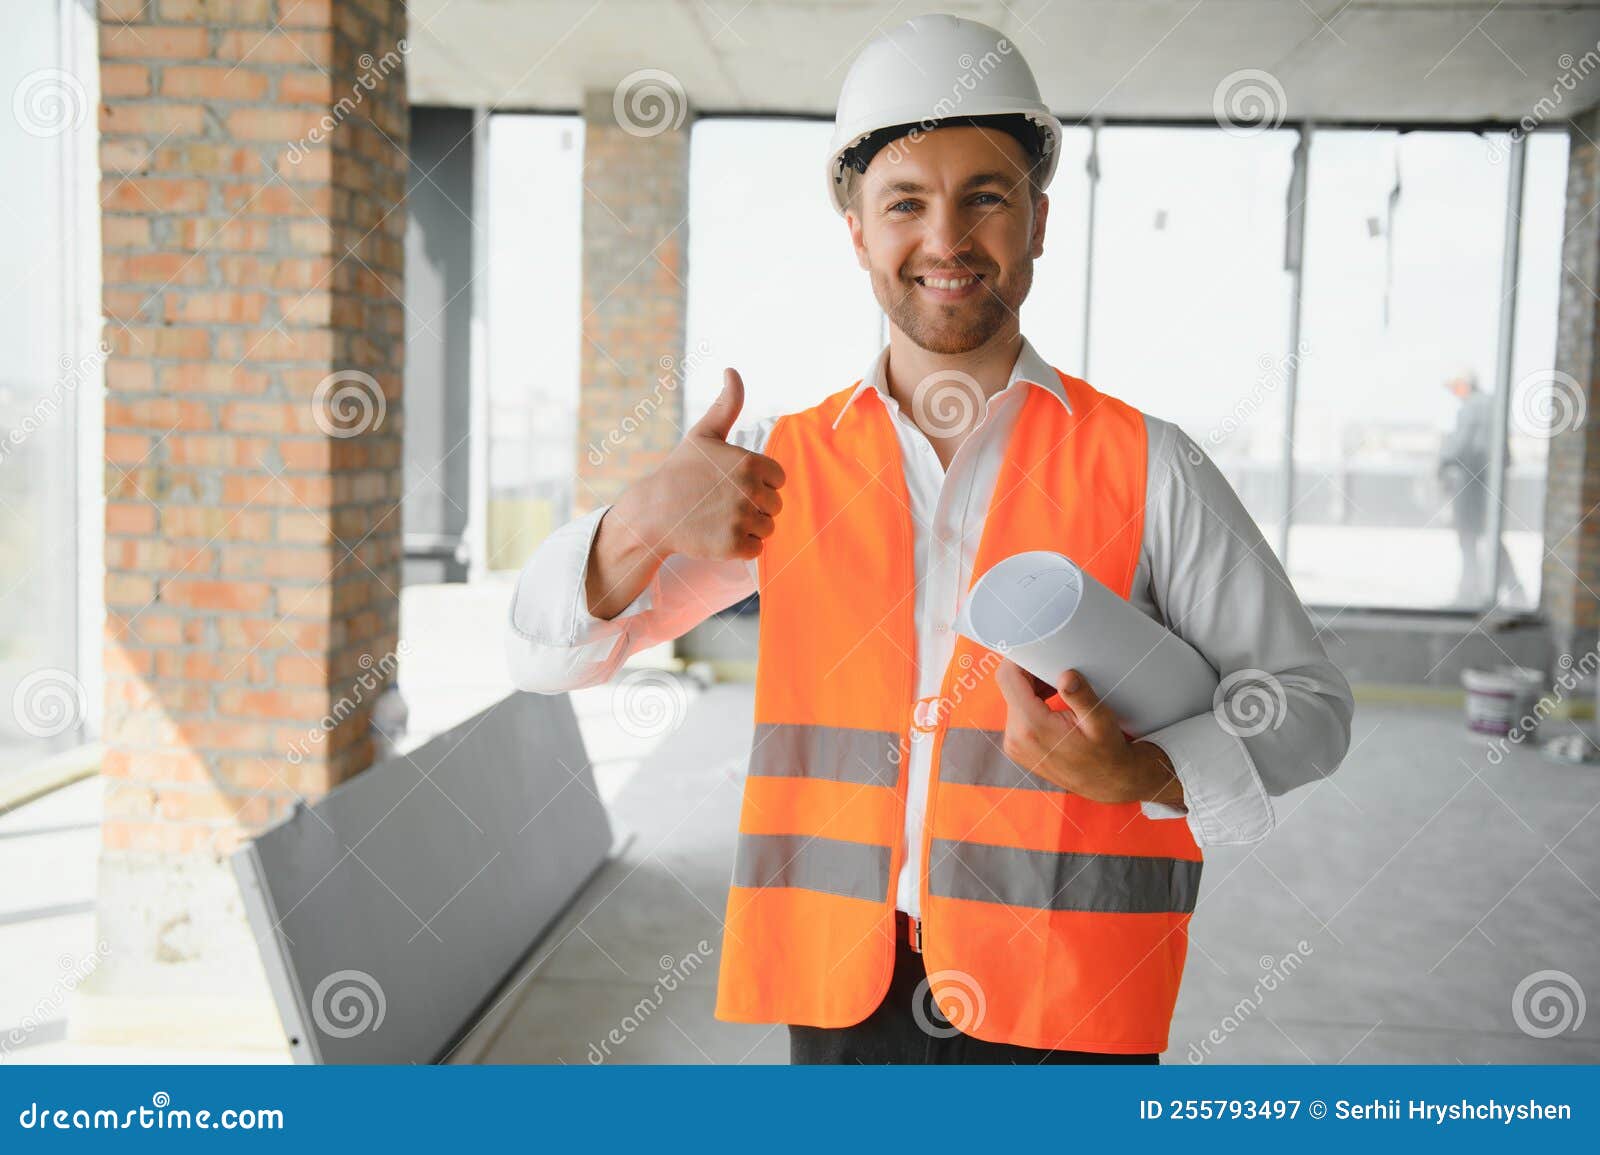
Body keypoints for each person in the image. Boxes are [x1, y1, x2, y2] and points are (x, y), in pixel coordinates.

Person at [506, 13, 1354, 1065]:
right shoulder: (775, 470)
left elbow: (1308, 710)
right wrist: (635, 521)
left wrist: (1149, 772)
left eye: (985, 197)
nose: (946, 240)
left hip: (1069, 998)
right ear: (857, 232)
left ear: (1038, 221)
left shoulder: (1149, 464)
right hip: (844, 993)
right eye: (905, 202)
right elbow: (543, 656)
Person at [1438, 371, 1524, 606]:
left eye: (1454, 386)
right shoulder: (1493, 405)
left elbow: (1460, 445)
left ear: (1465, 384)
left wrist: (1443, 462)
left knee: (1468, 539)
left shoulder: (1471, 408)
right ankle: (1514, 591)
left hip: (1472, 483)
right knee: (1492, 538)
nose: (1453, 392)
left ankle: (1468, 594)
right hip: (1490, 483)